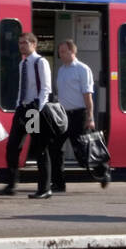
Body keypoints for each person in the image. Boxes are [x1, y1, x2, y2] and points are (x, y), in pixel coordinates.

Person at [0, 33, 53, 198]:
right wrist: (17, 106)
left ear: (34, 44)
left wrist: (38, 108)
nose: (21, 46)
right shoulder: (23, 63)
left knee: (39, 149)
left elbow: (46, 88)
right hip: (22, 109)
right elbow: (22, 87)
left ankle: (44, 188)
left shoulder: (40, 62)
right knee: (13, 146)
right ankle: (11, 184)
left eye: (24, 43)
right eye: (20, 43)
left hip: (33, 109)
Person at [49, 39, 100, 192]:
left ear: (72, 51)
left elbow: (87, 95)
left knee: (81, 152)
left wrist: (90, 117)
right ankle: (59, 183)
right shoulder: (61, 70)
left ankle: (102, 168)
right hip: (63, 115)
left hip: (79, 114)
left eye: (64, 51)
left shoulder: (83, 69)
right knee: (55, 147)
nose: (61, 54)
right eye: (60, 52)